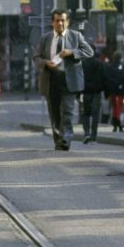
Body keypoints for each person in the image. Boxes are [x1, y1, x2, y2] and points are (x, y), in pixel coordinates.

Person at [33, 9, 94, 151]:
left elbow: (89, 51)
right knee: (54, 113)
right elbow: (36, 57)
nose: (60, 23)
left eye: (63, 20)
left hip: (69, 81)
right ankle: (58, 140)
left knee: (67, 112)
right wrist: (45, 63)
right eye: (57, 20)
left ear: (68, 22)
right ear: (52, 23)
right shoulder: (45, 38)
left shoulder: (76, 36)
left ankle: (66, 139)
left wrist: (71, 52)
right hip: (51, 80)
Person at [79, 50, 107, 143]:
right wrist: (106, 91)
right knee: (95, 114)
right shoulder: (100, 63)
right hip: (96, 92)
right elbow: (104, 77)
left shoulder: (82, 63)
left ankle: (86, 133)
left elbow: (78, 78)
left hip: (85, 92)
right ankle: (93, 134)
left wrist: (77, 93)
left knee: (85, 113)